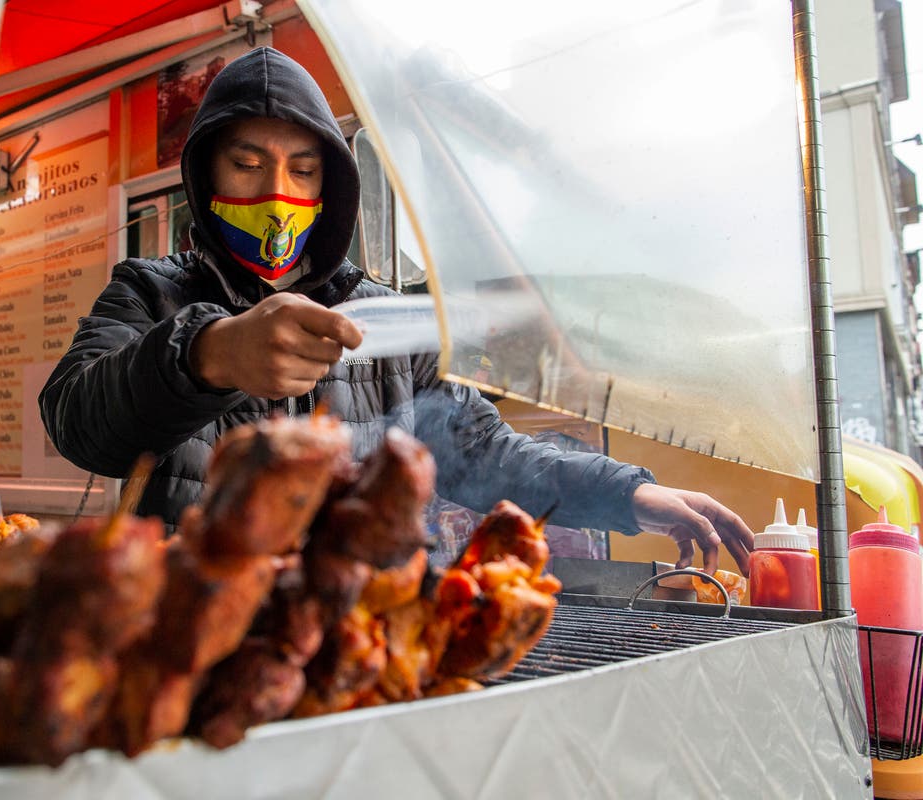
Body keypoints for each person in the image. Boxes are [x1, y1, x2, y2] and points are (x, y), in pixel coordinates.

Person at [39, 47, 753, 576]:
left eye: (304, 169)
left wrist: (625, 494)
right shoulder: (150, 292)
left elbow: (480, 454)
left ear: (331, 188)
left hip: (363, 631)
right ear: (204, 174)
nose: (276, 190)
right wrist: (208, 353)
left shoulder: (382, 317)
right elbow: (77, 422)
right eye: (247, 163)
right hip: (201, 635)